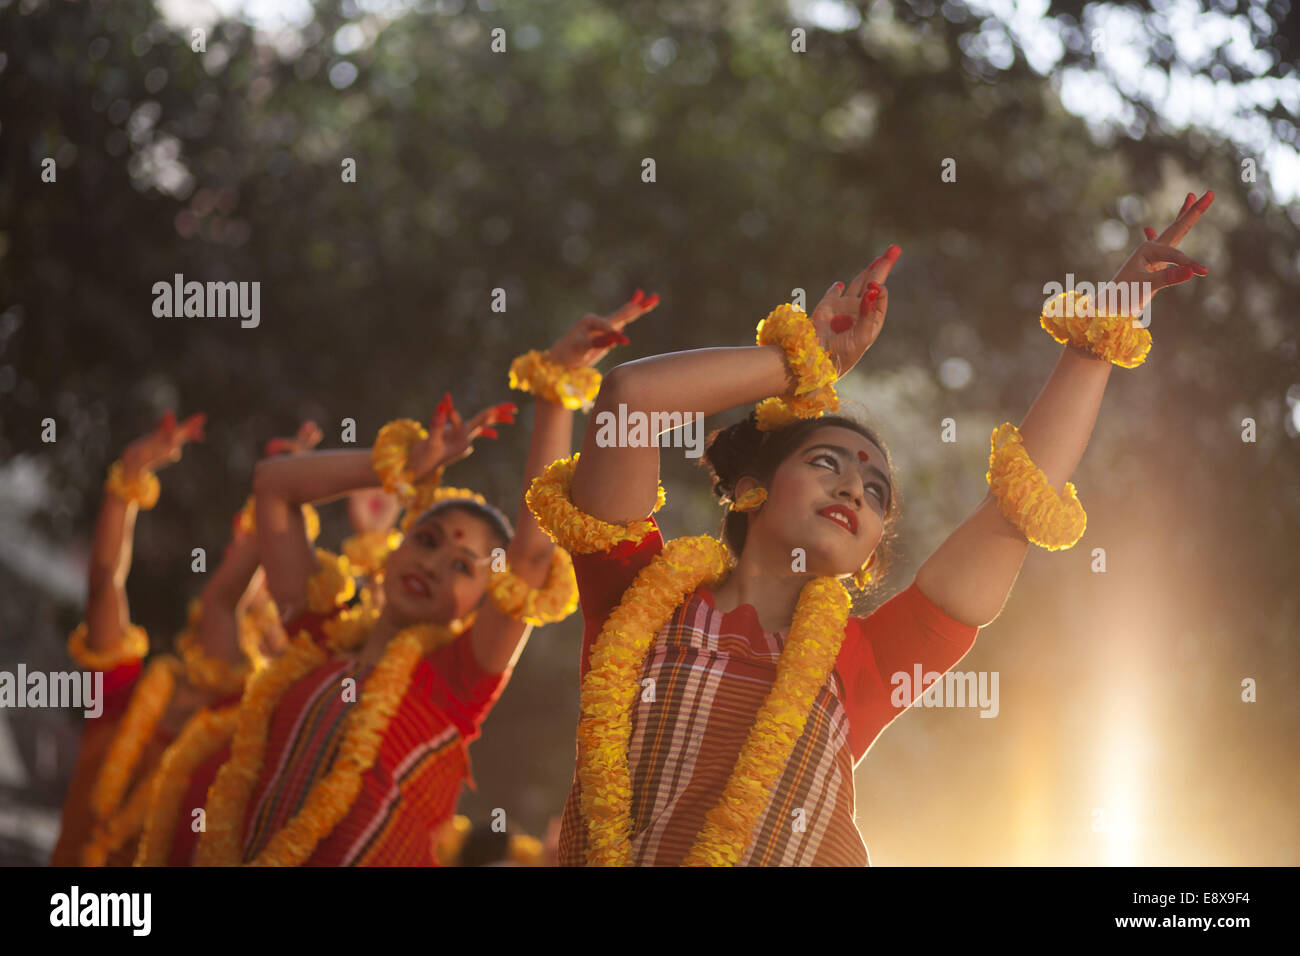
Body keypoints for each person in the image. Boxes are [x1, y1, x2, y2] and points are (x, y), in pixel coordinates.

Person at [528, 191, 1214, 866]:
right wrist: (804, 363)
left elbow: (1017, 504)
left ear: (868, 553)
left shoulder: (872, 663)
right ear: (748, 489)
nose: (854, 486)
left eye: (875, 489)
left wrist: (1107, 328)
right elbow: (628, 401)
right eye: (825, 461)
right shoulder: (638, 593)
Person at [194, 293, 659, 866]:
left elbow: (532, 557)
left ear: (483, 600)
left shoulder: (457, 682)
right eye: (428, 541)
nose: (435, 564)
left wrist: (556, 391)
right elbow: (273, 486)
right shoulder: (313, 640)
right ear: (393, 552)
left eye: (464, 567)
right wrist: (402, 469)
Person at [52, 412, 315, 866]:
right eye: (234, 549)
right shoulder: (125, 689)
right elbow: (103, 583)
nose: (231, 556)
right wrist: (128, 480)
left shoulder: (246, 743)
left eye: (252, 551)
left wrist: (281, 496)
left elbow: (226, 601)